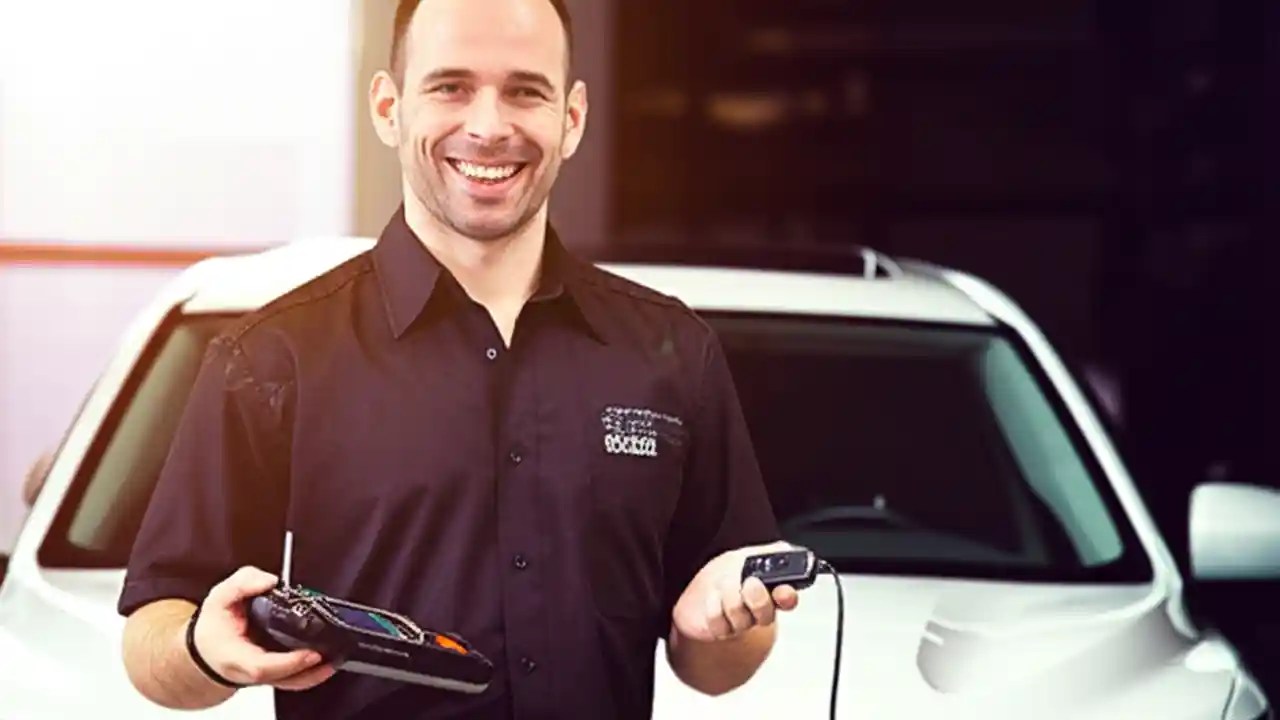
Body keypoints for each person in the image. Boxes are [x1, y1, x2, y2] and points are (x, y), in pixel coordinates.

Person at [117, 0, 799, 717]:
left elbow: (720, 666)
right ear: (389, 108)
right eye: (450, 87)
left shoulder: (672, 353)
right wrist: (199, 646)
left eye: (525, 91)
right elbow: (151, 637)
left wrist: (715, 631)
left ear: (572, 118)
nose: (489, 125)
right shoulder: (273, 357)